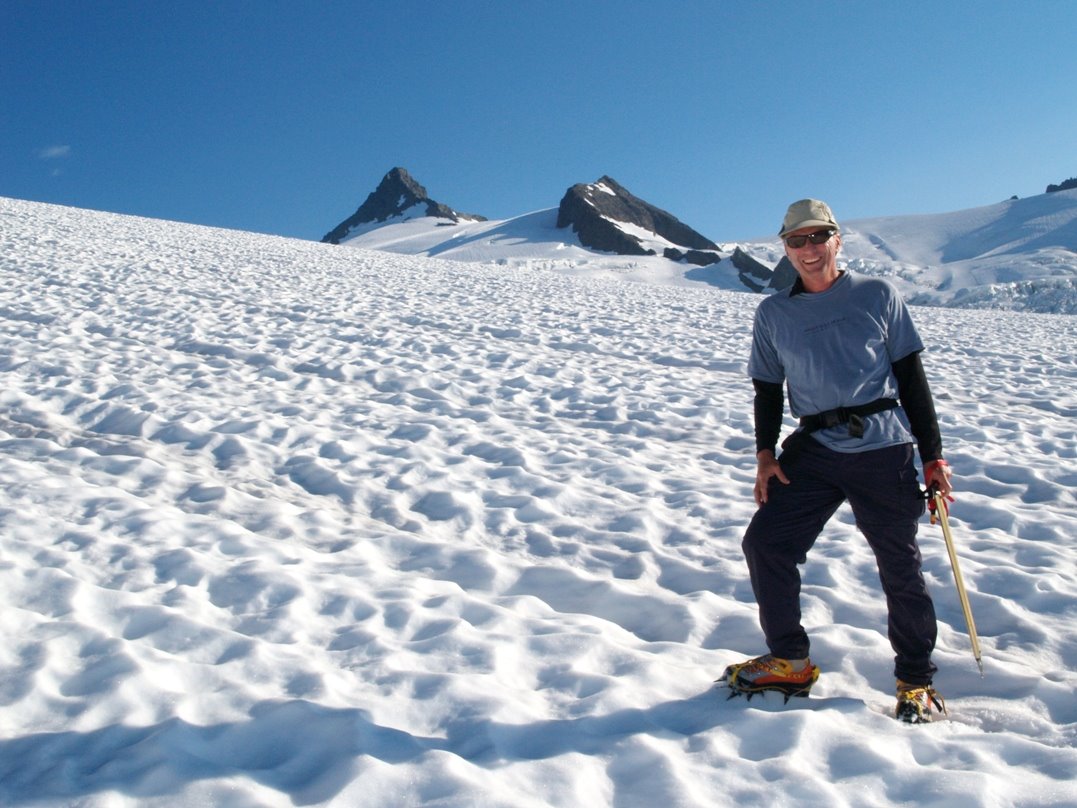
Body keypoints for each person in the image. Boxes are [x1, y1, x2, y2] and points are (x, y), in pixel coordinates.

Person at [722, 199, 954, 723]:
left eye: (817, 237)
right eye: (796, 241)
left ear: (837, 239)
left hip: (883, 445)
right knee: (767, 542)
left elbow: (913, 380)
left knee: (898, 564)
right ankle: (790, 660)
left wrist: (933, 457)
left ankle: (916, 681)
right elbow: (767, 388)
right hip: (815, 447)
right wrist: (765, 455)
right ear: (784, 248)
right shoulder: (774, 312)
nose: (808, 249)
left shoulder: (877, 295)